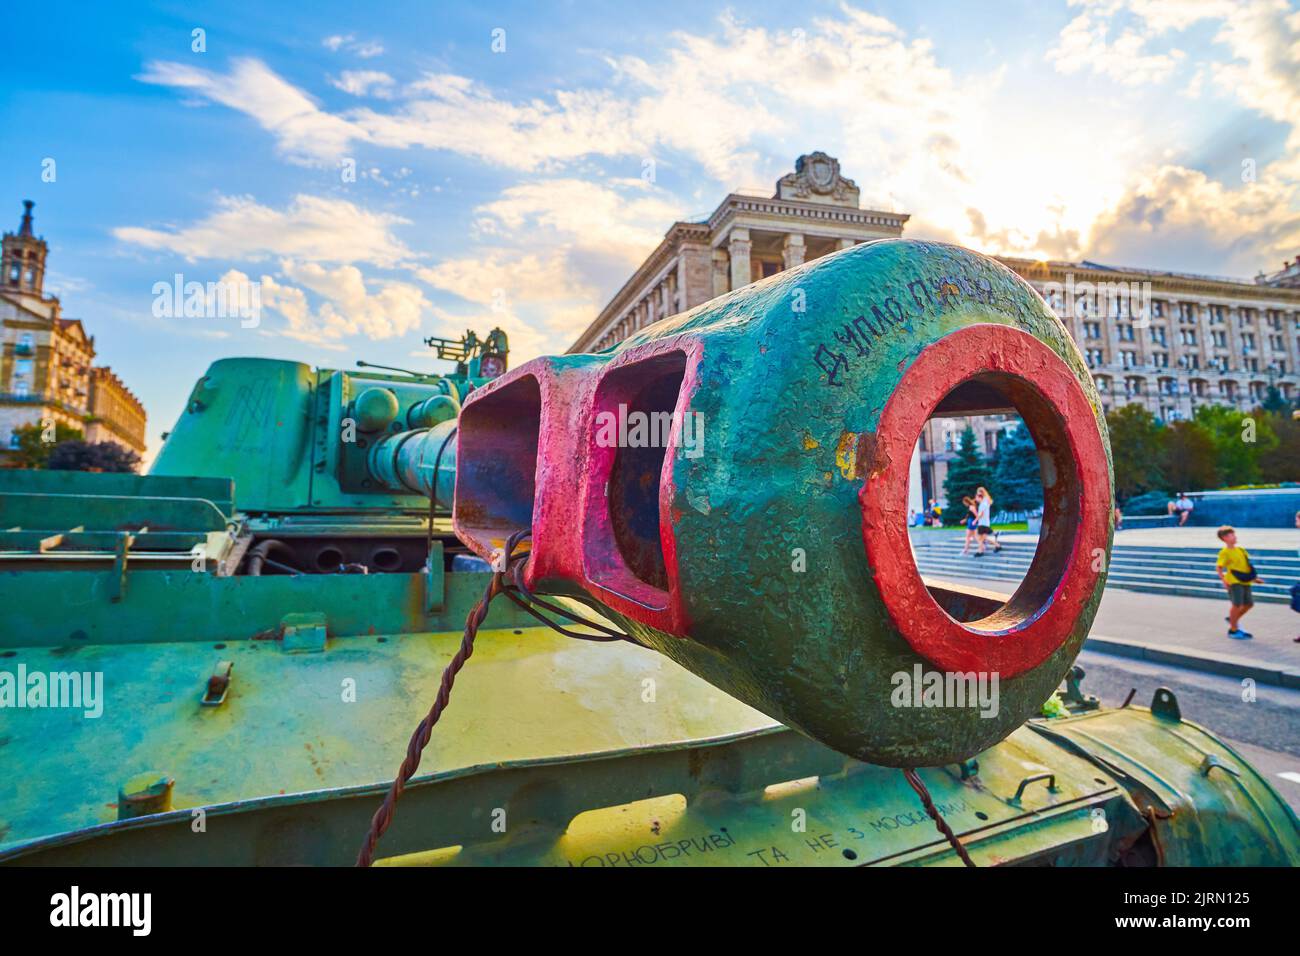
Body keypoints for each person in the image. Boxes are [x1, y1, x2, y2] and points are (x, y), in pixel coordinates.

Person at [1216, 525, 1262, 639]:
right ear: (1224, 538)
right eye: (1231, 535)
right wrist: (1224, 580)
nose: (1234, 537)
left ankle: (1232, 619)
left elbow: (1246, 565)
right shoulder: (1224, 552)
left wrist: (1254, 578)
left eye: (1234, 534)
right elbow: (1219, 567)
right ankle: (1233, 630)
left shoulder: (1241, 550)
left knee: (1249, 604)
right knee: (1237, 605)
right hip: (1234, 581)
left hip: (1245, 581)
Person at [972, 486, 1001, 557]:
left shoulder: (984, 503)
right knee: (982, 538)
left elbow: (981, 514)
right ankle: (996, 545)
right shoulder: (985, 502)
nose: (977, 497)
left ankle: (980, 551)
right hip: (984, 523)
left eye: (979, 494)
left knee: (981, 538)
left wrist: (975, 521)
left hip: (983, 523)